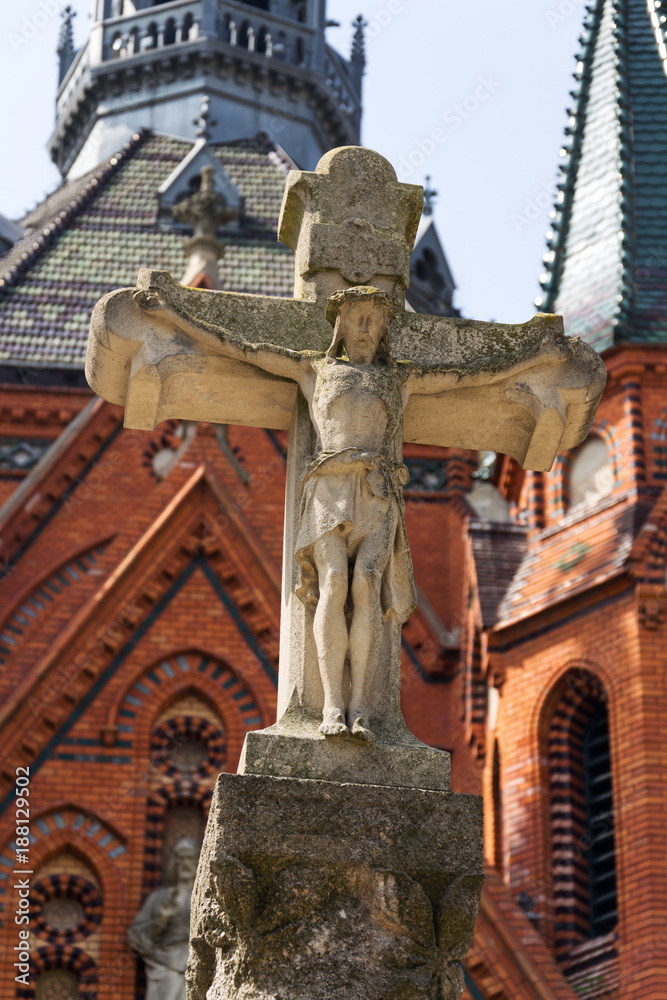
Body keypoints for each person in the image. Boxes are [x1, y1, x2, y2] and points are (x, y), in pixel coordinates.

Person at [127, 838, 200, 1000]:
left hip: (198, 966)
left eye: (189, 858)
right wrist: (161, 921)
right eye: (180, 858)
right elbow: (135, 936)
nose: (184, 863)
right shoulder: (159, 898)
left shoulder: (207, 897)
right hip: (165, 966)